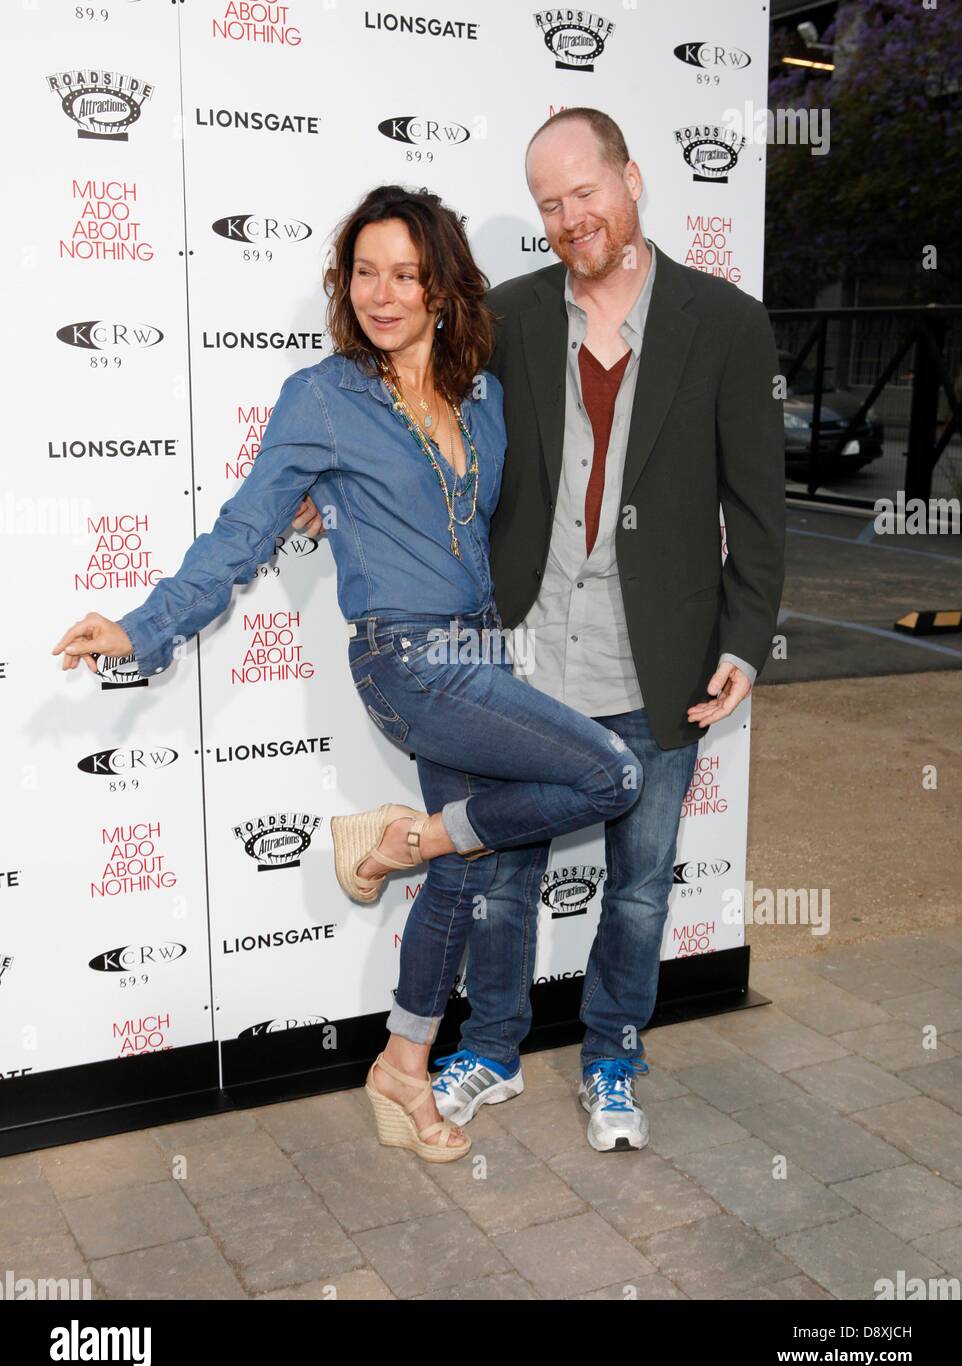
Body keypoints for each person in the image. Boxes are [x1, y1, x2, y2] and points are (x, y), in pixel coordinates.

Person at [52, 184, 645, 1166]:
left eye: (404, 274)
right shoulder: (321, 396)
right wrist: (140, 626)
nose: (380, 293)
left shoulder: (481, 394)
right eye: (363, 272)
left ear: (442, 289)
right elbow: (244, 529)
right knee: (609, 773)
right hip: (407, 660)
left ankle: (401, 1066)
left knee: (457, 877)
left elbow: (490, 516)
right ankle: (401, 840)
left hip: (480, 644)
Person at [298, 109, 785, 1154]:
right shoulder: (510, 314)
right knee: (500, 873)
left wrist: (743, 640)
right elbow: (412, 401)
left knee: (642, 881)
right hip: (516, 649)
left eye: (585, 192)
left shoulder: (725, 324)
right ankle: (493, 1046)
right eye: (550, 203)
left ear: (633, 179)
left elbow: (755, 507)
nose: (571, 218)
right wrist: (325, 482)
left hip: (664, 658)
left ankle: (612, 1052)